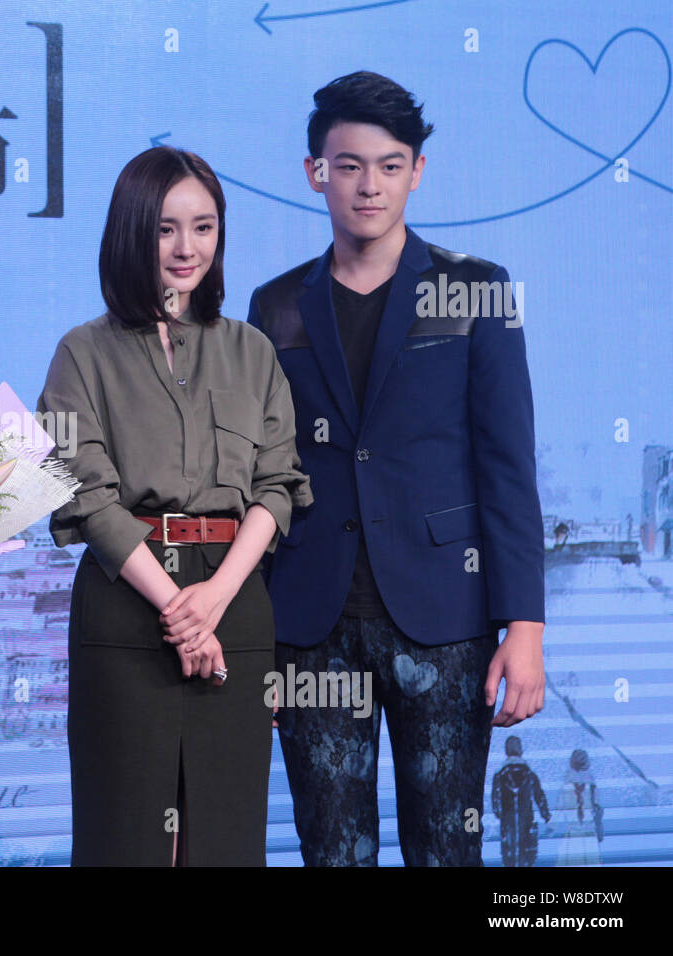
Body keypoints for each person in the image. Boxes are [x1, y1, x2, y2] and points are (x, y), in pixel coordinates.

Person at [247, 71, 546, 866]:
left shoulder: (476, 291)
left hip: (447, 617)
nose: (368, 185)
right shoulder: (274, 307)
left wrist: (527, 628)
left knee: (448, 849)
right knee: (332, 850)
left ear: (417, 170)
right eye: (348, 166)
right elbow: (262, 474)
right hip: (311, 628)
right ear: (316, 172)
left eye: (388, 164)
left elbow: (509, 468)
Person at [38, 146, 311, 866]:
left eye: (204, 226)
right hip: (127, 608)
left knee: (225, 837)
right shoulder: (82, 353)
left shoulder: (252, 350)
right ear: (131, 231)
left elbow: (277, 487)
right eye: (165, 228)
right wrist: (178, 612)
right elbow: (85, 495)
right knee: (123, 833)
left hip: (236, 606)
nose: (187, 248)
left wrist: (215, 600)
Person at [490, 736, 550, 867]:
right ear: (521, 750)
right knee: (527, 853)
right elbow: (539, 795)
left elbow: (495, 801)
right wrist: (546, 815)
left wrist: (499, 814)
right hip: (526, 819)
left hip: (507, 820)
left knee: (509, 852)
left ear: (506, 751)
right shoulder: (530, 775)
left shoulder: (499, 776)